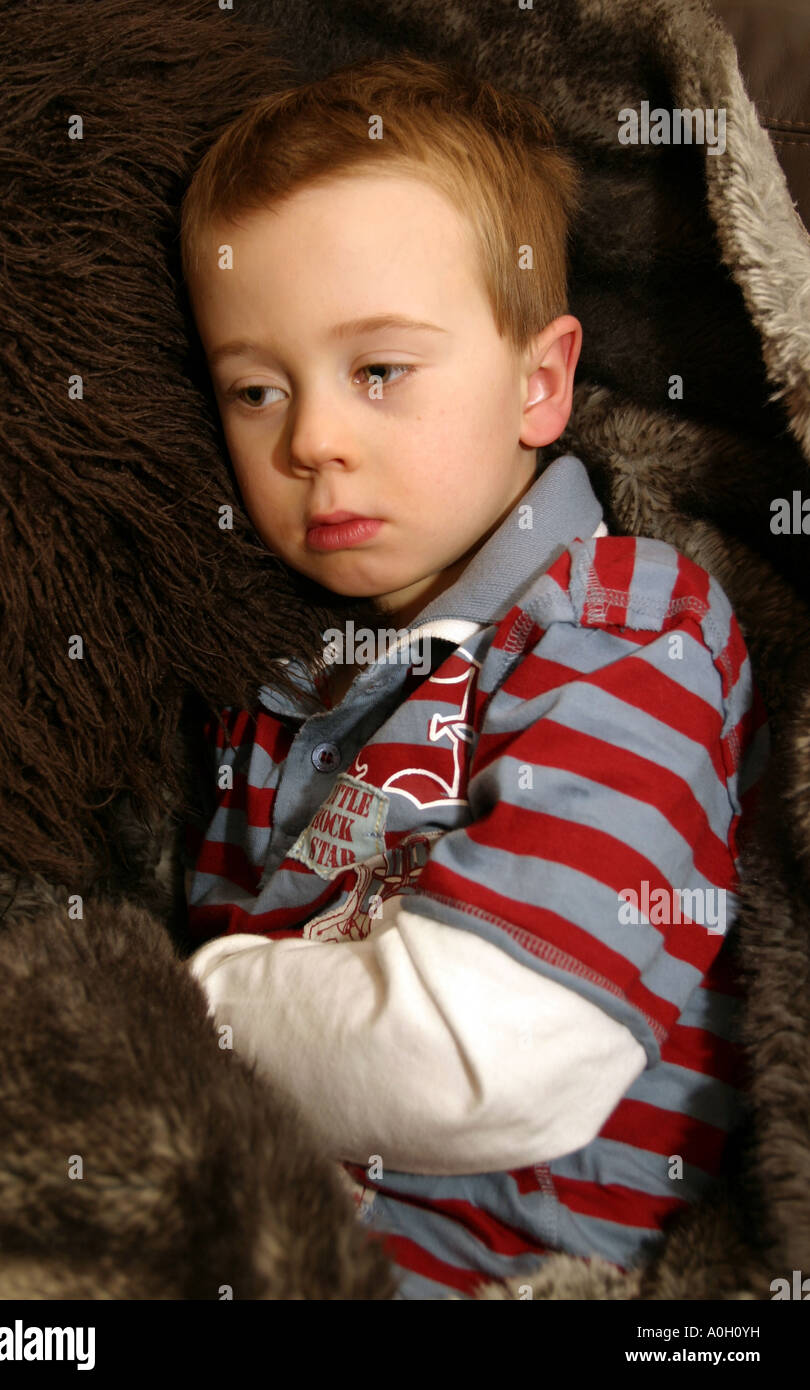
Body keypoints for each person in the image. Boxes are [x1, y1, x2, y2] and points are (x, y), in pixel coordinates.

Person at [177, 53, 769, 1300]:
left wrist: (188, 1008)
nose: (313, 440)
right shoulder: (265, 691)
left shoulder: (622, 626)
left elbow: (493, 1049)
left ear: (538, 382)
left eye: (378, 370)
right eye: (254, 388)